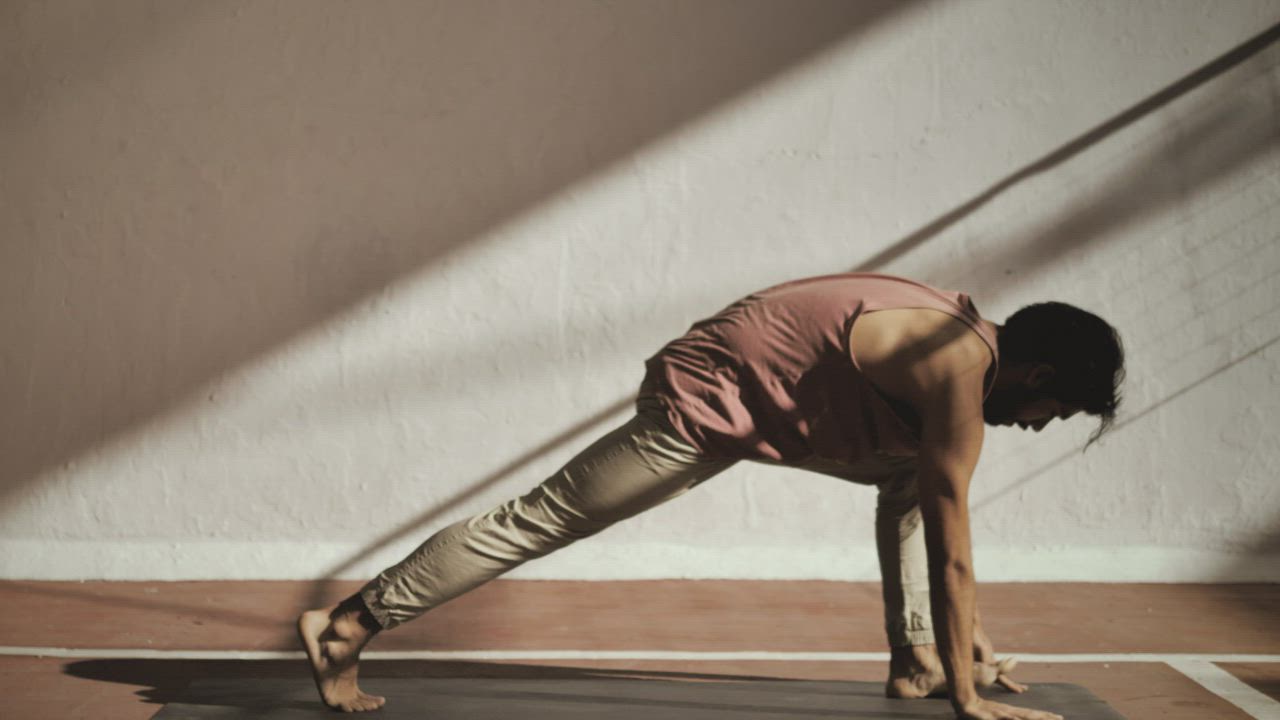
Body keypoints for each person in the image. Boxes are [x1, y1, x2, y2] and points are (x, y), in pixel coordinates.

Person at [297, 272, 1124, 719]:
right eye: (1058, 411)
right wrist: (971, 697)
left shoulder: (964, 331)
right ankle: (346, 624)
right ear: (1038, 375)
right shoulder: (957, 368)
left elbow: (937, 516)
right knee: (543, 520)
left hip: (754, 389)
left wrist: (963, 643)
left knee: (908, 477)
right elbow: (954, 547)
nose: (1043, 426)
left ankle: (915, 662)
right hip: (707, 401)